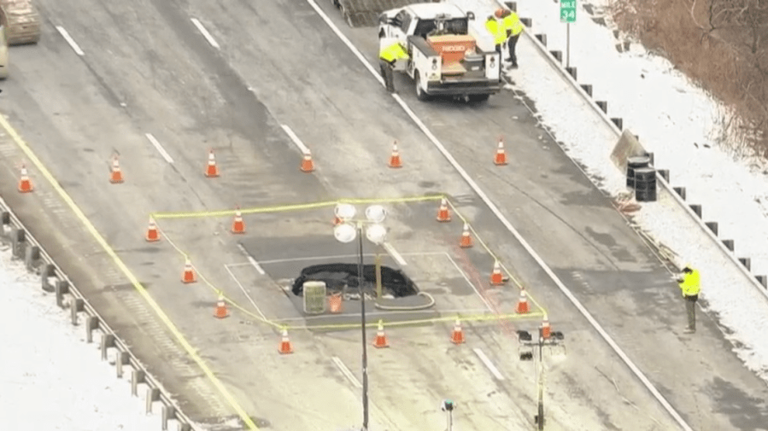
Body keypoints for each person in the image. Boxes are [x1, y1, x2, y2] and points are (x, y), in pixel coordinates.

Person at [676, 264, 701, 333]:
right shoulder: (696, 273)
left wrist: (679, 282)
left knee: (690, 312)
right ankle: (691, 324)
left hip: (689, 296)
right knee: (692, 311)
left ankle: (692, 327)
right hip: (695, 295)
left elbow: (684, 286)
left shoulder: (688, 277)